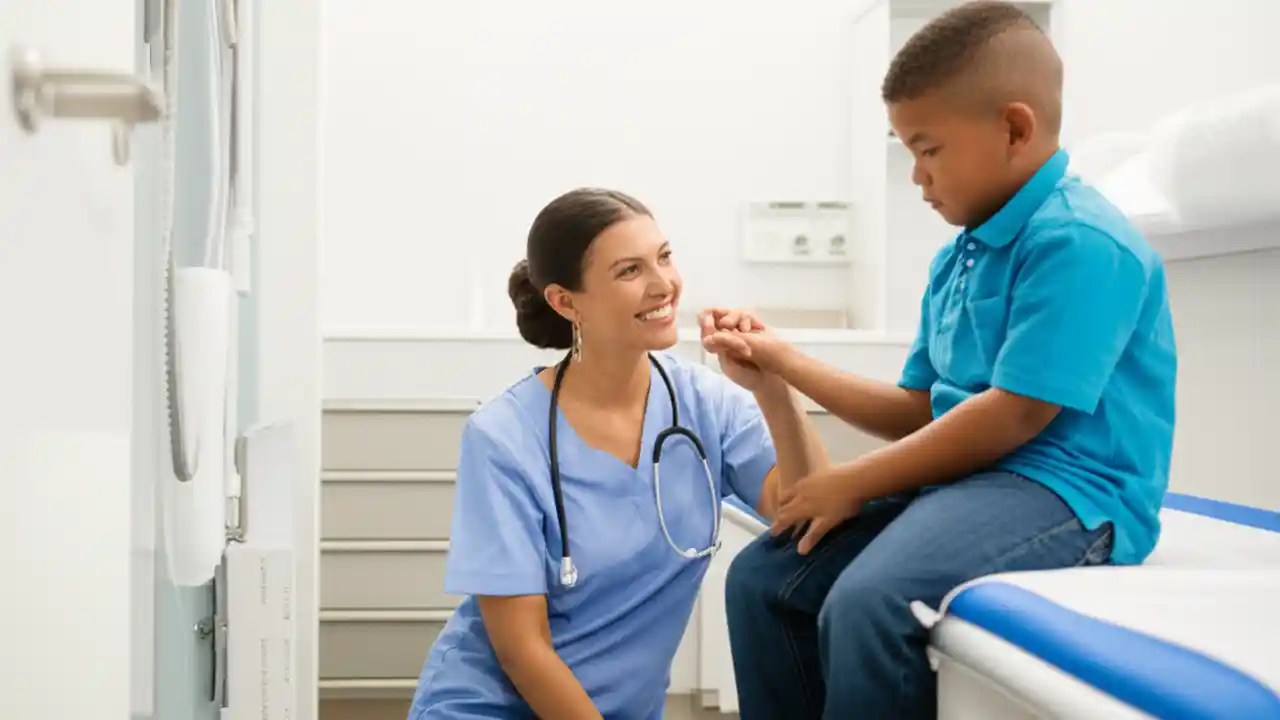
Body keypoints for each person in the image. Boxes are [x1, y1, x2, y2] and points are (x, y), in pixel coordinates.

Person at [714, 2, 1179, 718]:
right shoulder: (959, 256)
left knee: (870, 601)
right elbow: (918, 412)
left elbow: (1015, 415)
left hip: (1073, 494)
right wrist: (781, 363)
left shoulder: (1083, 243)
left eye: (928, 150)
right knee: (763, 579)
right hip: (975, 478)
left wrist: (852, 482)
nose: (917, 177)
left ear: (1015, 129)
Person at [407, 187, 828, 719]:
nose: (663, 285)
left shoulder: (706, 404)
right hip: (487, 707)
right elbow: (521, 649)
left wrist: (774, 388)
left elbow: (807, 510)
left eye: (665, 257)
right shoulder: (504, 437)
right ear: (565, 301)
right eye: (630, 271)